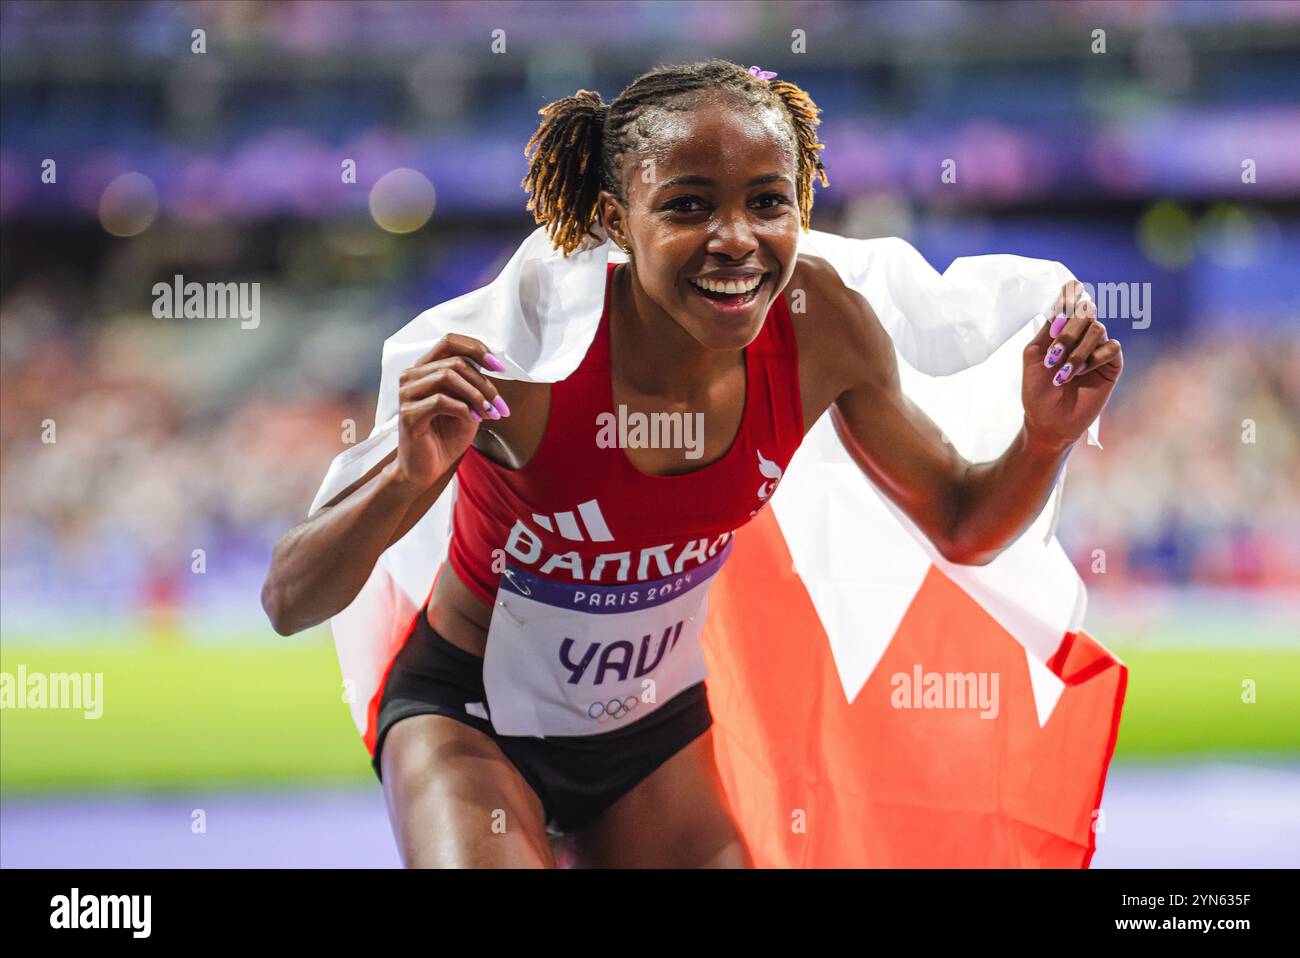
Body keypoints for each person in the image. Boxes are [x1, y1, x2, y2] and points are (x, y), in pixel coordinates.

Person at [260, 59, 1123, 868]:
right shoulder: (523, 363)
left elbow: (964, 525)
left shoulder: (820, 331)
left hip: (651, 736)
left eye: (767, 202)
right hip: (472, 719)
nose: (736, 240)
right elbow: (290, 599)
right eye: (687, 206)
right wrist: (410, 477)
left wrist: (1042, 438)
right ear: (612, 221)